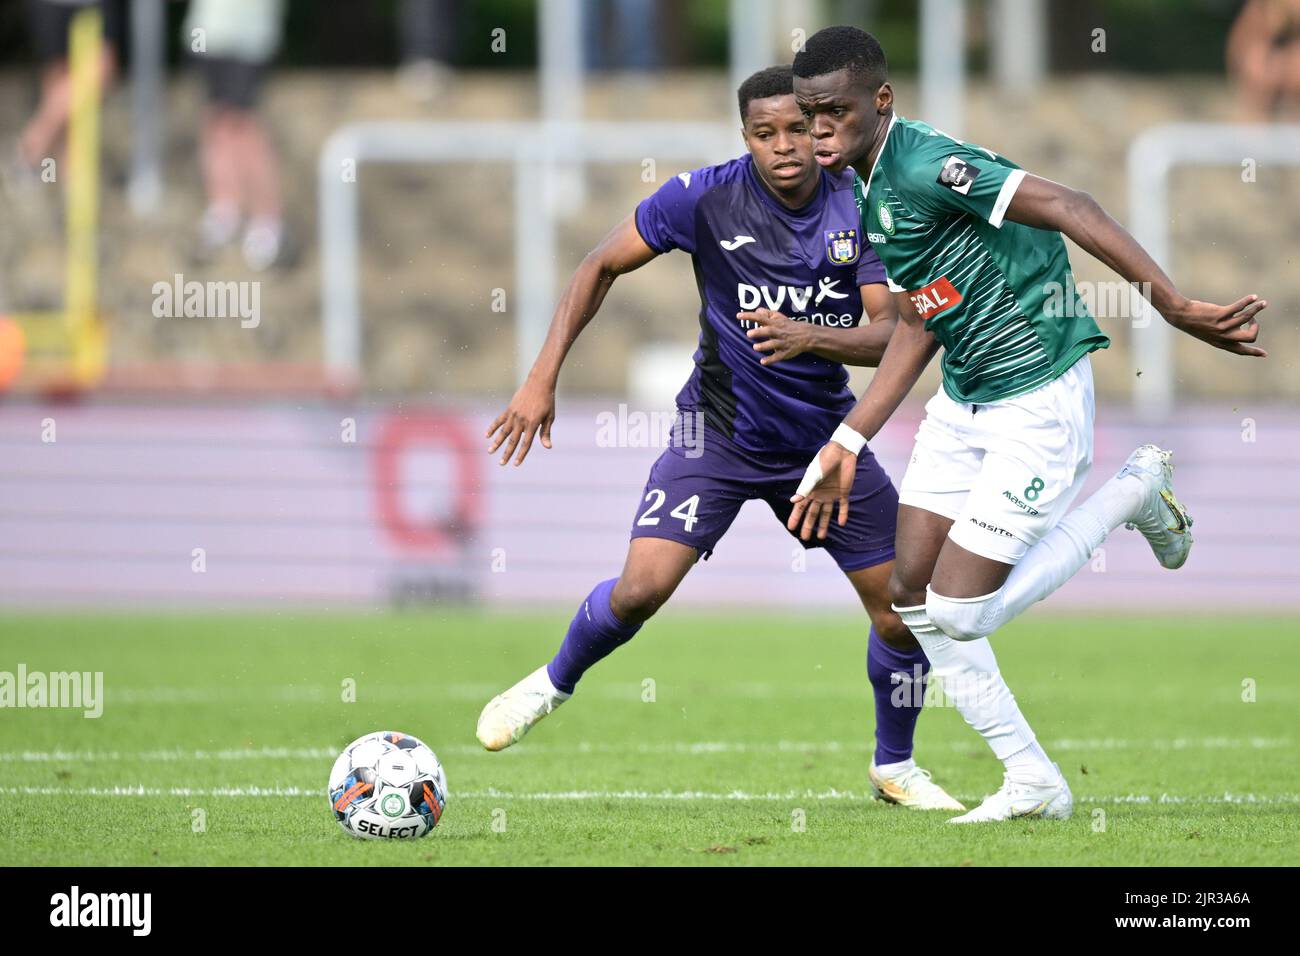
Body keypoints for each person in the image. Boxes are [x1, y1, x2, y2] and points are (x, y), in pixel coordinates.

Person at [786, 26, 1267, 822]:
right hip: (963, 402)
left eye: (833, 111)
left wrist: (1171, 303)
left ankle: (1136, 491)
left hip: (1035, 399)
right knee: (909, 592)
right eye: (809, 117)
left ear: (881, 101)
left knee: (961, 610)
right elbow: (916, 322)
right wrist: (848, 439)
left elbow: (1069, 204)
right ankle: (1034, 780)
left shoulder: (926, 164)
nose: (818, 131)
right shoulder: (866, 187)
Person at [477, 66, 964, 811]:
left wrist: (809, 336)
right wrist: (542, 377)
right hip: (719, 436)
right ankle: (550, 683)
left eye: (798, 129)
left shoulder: (858, 202)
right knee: (640, 590)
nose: (785, 147)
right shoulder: (702, 197)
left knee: (902, 606)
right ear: (746, 138)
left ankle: (893, 765)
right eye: (765, 134)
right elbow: (599, 263)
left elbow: (894, 335)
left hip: (822, 446)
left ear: (819, 127)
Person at [184, 0, 290, 271]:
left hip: (249, 33)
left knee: (244, 124)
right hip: (210, 29)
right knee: (215, 120)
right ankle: (225, 208)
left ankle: (267, 219)